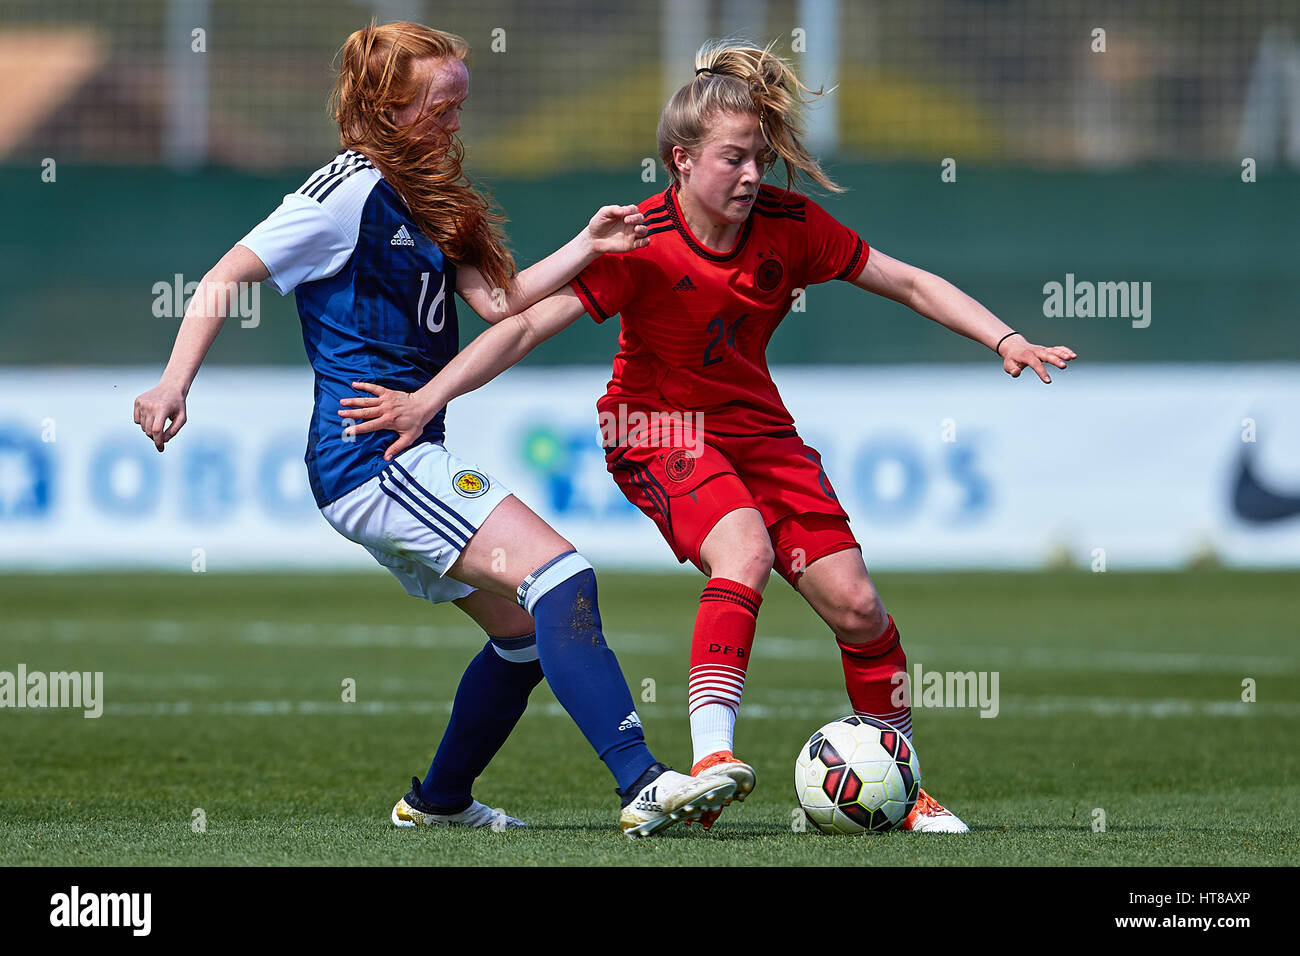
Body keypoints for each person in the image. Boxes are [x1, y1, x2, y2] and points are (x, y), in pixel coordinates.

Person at [336, 39, 1078, 834]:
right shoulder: (641, 241)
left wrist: (1005, 339)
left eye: (758, 157)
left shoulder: (791, 227)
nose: (753, 175)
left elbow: (905, 279)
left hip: (760, 433)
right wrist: (427, 400)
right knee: (744, 550)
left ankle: (895, 783)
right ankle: (713, 761)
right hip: (652, 428)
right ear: (681, 161)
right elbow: (518, 330)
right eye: (734, 159)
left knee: (859, 610)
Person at [132, 22, 737, 839]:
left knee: (524, 637)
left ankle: (438, 801)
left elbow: (503, 300)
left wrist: (589, 246)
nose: (455, 122)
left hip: (404, 455)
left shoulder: (429, 197)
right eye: (440, 106)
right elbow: (226, 274)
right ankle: (643, 783)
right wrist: (174, 381)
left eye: (460, 104)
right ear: (387, 107)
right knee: (563, 578)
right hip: (369, 457)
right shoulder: (345, 189)